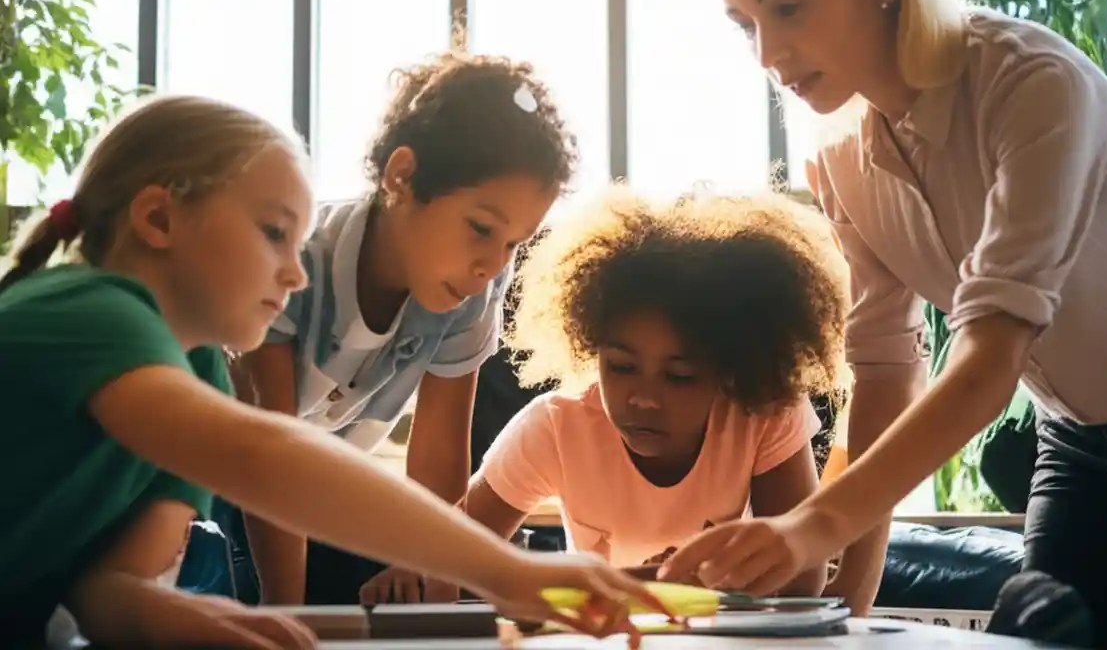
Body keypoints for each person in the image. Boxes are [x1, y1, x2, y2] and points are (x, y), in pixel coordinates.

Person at [661, 0, 1107, 647]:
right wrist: (849, 610)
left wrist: (812, 525)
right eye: (747, 26)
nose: (768, 55)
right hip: (1078, 440)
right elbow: (885, 368)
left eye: (788, 8)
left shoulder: (1034, 83)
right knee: (1036, 638)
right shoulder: (835, 154)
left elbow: (990, 358)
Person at [0, 95, 659, 649]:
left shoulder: (199, 370)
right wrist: (508, 572)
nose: (295, 273)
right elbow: (261, 456)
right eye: (273, 232)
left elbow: (109, 595)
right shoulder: (95, 311)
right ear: (158, 218)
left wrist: (227, 623)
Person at [230, 51, 575, 606]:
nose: (492, 264)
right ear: (403, 176)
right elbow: (270, 455)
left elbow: (438, 456)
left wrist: (443, 613)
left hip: (322, 483)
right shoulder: (296, 264)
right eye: (481, 227)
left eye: (514, 243)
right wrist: (286, 616)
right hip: (225, 474)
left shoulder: (471, 289)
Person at [457, 188, 850, 597]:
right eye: (621, 367)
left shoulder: (763, 413)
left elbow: (802, 581)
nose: (643, 398)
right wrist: (662, 582)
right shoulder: (555, 426)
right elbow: (455, 561)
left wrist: (647, 584)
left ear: (729, 373)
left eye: (679, 376)